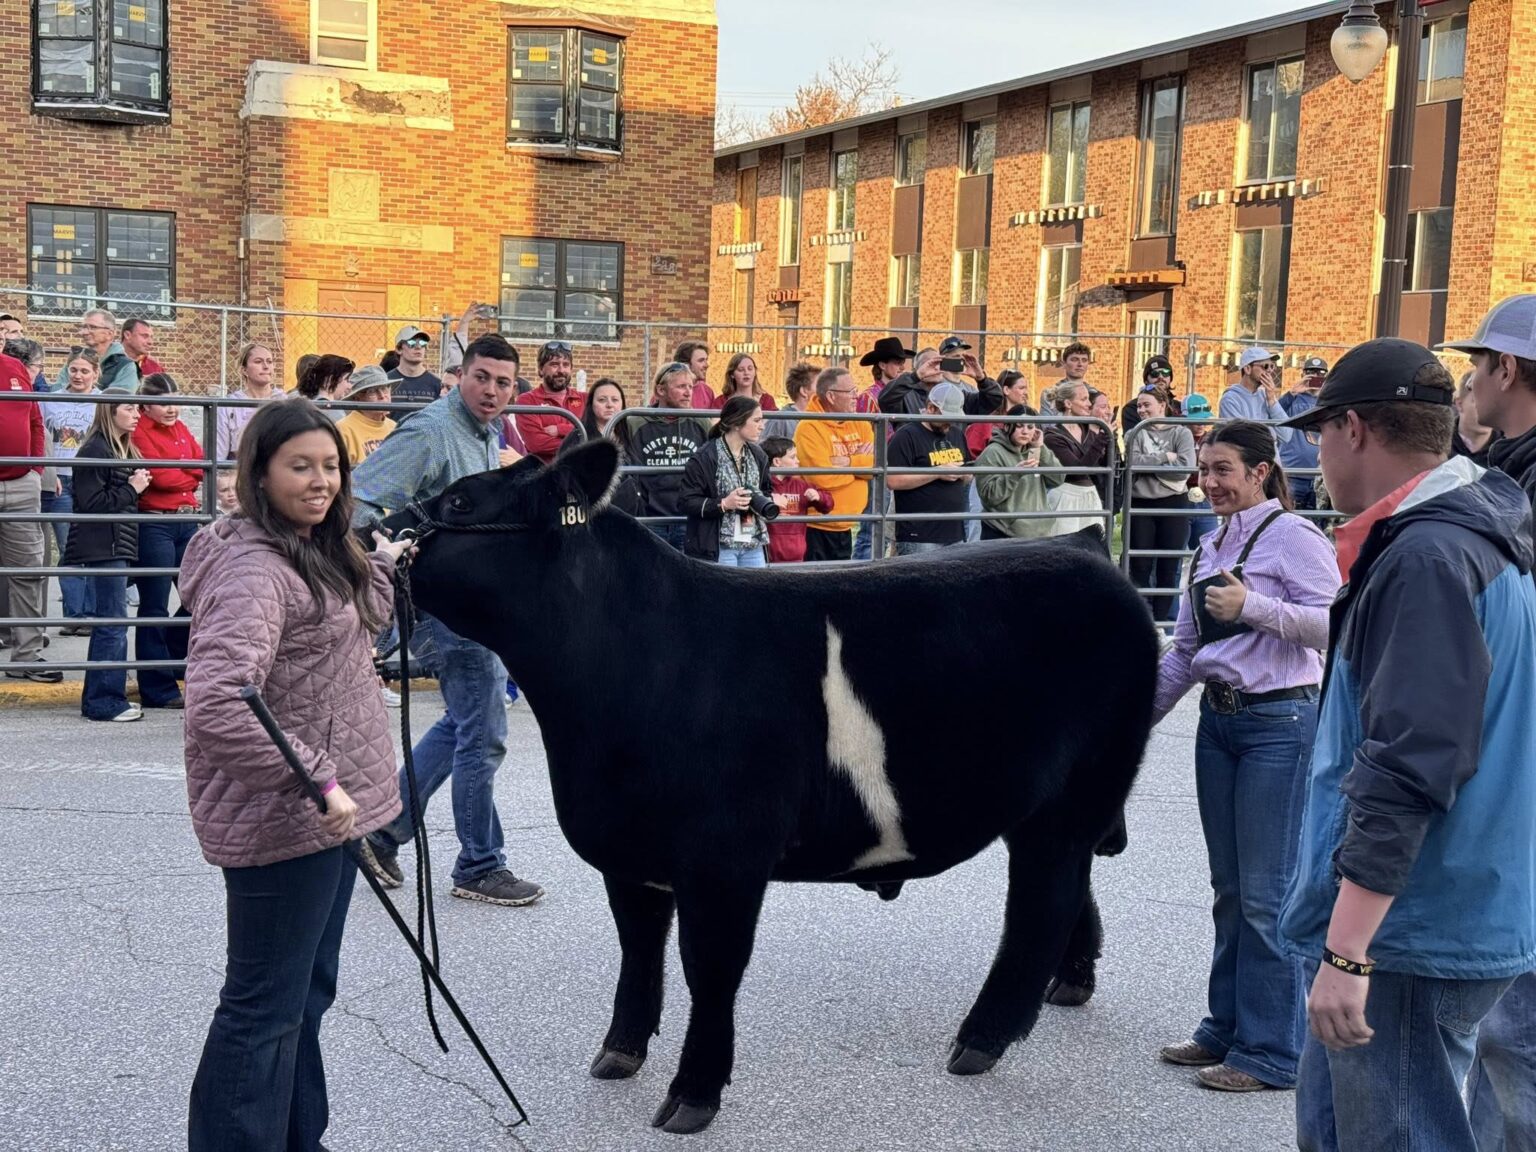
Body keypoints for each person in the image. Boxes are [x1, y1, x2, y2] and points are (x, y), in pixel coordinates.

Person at [1265, 338, 1536, 1152]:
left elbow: (1410, 764)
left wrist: (1348, 951)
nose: (1315, 457)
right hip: (1434, 910)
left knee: (1397, 1137)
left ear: (1353, 429)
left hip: (1415, 926)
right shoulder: (1467, 531)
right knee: (1338, 1130)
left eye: (1318, 434)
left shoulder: (1426, 555)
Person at [181, 398, 409, 1152]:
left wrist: (377, 558)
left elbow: (355, 617)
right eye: (299, 467)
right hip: (288, 820)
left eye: (330, 466)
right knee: (263, 1008)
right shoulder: (255, 569)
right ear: (260, 473)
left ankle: (297, 1140)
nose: (319, 482)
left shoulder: (312, 544)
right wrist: (319, 781)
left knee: (302, 998)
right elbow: (217, 703)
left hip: (324, 815)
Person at [1153, 420, 1339, 1094]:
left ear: (1261, 471)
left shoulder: (1294, 536)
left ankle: (1271, 1050)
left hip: (1279, 723)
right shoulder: (1207, 547)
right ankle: (1225, 1026)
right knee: (1230, 890)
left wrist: (1254, 606)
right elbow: (1184, 652)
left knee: (1267, 894)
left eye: (1223, 469)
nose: (1210, 482)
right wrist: (1128, 727)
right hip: (1220, 725)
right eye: (1204, 469)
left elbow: (1334, 621)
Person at [352, 334, 544, 907]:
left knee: (465, 722)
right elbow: (362, 501)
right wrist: (393, 555)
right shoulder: (433, 430)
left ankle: (383, 832)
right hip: (441, 605)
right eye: (481, 377)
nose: (491, 390)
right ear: (462, 374)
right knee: (483, 732)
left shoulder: (486, 434)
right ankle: (479, 865)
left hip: (471, 603)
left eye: (503, 382)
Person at [1437, 298, 1536, 1152]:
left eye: (1479, 364)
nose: (1469, 378)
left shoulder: (1521, 485)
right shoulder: (1507, 470)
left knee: (1515, 1027)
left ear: (1507, 370)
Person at [63, 390, 152, 720]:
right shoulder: (96, 448)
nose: (136, 414)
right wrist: (133, 488)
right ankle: (104, 702)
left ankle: (102, 698)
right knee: (112, 623)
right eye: (128, 408)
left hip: (117, 543)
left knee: (113, 622)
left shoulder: (120, 447)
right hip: (104, 545)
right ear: (109, 412)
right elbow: (91, 504)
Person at [131, 373, 203, 709]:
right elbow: (158, 475)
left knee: (198, 596)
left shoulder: (179, 428)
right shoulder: (140, 429)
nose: (172, 408)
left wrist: (184, 476)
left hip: (185, 520)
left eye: (175, 400)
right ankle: (156, 686)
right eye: (164, 402)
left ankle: (175, 655)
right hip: (156, 523)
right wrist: (185, 477)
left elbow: (201, 465)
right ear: (146, 405)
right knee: (155, 604)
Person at [0, 348, 58, 681]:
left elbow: (35, 421)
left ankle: (27, 654)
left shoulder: (15, 368)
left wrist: (35, 469)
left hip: (22, 485)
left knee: (29, 571)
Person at [621, 362, 711, 551]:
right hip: (651, 519)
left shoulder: (701, 421)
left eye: (690, 387)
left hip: (687, 518)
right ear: (661, 390)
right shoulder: (636, 421)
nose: (688, 392)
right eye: (680, 387)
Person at [43, 349, 102, 634]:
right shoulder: (50, 400)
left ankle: (91, 614)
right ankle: (73, 615)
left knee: (91, 545)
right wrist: (48, 472)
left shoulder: (103, 402)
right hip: (61, 481)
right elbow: (41, 438)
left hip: (90, 481)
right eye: (74, 370)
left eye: (84, 371)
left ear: (95, 373)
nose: (78, 376)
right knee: (68, 548)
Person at [1126, 387, 1198, 621]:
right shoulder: (1134, 434)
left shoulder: (1180, 433)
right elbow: (1134, 463)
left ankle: (1161, 620)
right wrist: (1166, 457)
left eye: (1147, 404)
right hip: (1141, 503)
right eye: (1139, 406)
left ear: (1162, 405)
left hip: (1174, 504)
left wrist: (1151, 469)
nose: (1142, 410)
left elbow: (1184, 470)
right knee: (1140, 564)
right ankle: (1141, 617)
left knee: (1169, 565)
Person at [679, 395, 774, 566]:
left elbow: (766, 490)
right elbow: (686, 501)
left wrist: (766, 501)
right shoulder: (704, 457)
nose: (762, 426)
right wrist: (723, 503)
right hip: (718, 546)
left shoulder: (759, 455)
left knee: (754, 593)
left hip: (753, 541)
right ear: (737, 423)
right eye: (757, 420)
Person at [795, 366, 875, 562]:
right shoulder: (808, 428)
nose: (857, 397)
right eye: (851, 392)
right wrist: (859, 468)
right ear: (831, 396)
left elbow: (876, 467)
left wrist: (847, 462)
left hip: (846, 527)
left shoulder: (861, 423)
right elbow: (822, 478)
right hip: (816, 528)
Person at [884, 382, 973, 555]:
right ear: (931, 408)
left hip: (954, 530)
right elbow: (893, 480)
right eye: (946, 417)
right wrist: (938, 472)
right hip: (919, 534)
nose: (950, 423)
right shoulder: (906, 435)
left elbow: (968, 473)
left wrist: (964, 474)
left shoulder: (956, 434)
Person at [974, 404, 1062, 540]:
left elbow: (1058, 479)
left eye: (1030, 427)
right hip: (1004, 534)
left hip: (1039, 533)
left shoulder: (1035, 451)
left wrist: (1041, 448)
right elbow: (989, 496)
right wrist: (1014, 475)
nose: (1025, 431)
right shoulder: (992, 452)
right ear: (1008, 426)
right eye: (1020, 425)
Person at [1042, 380, 1110, 535]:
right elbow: (1078, 470)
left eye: (1088, 399)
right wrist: (1101, 439)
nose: (1089, 404)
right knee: (1064, 547)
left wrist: (1108, 438)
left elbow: (1102, 465)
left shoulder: (1089, 430)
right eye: (1083, 399)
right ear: (1068, 403)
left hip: (1090, 495)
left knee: (1093, 547)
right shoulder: (1053, 436)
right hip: (1066, 496)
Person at [762, 436, 831, 564]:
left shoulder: (800, 486)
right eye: (793, 457)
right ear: (777, 462)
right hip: (768, 555)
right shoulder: (763, 487)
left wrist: (819, 497)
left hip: (797, 555)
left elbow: (828, 506)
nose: (798, 461)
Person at [515, 340, 586, 465]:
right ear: (541, 369)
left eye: (566, 365)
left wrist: (561, 430)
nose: (561, 370)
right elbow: (537, 444)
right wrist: (582, 441)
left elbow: (598, 435)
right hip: (544, 475)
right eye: (554, 365)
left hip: (580, 474)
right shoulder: (527, 401)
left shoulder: (586, 399)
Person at [580, 378, 642, 516]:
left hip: (628, 515)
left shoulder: (628, 435)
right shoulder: (579, 436)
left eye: (615, 400)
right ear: (591, 404)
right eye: (602, 400)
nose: (609, 405)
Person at [216, 343, 283, 461]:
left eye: (270, 361)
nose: (266, 366)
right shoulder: (229, 405)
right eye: (258, 362)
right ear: (244, 370)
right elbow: (218, 455)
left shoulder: (285, 402)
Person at [1277, 357, 1328, 508]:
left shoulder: (1328, 401)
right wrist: (1292, 392)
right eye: (1310, 373)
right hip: (1293, 474)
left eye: (1320, 374)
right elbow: (1274, 413)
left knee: (1318, 522)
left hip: (1320, 475)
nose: (1315, 377)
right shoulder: (1292, 399)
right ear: (1303, 375)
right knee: (1288, 516)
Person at [1220, 348, 1294, 445]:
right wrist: (1271, 433)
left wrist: (1272, 400)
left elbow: (1286, 435)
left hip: (1270, 458)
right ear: (1247, 369)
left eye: (1272, 366)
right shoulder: (1230, 399)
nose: (1270, 371)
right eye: (1265, 366)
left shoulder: (1266, 396)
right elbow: (1240, 437)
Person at [60, 308, 137, 392]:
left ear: (109, 334)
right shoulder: (76, 359)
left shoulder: (125, 366)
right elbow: (58, 389)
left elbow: (119, 399)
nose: (84, 332)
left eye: (93, 327)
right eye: (84, 327)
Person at [335, 365, 396, 466]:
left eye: (384, 388)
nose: (382, 396)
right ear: (357, 398)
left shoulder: (393, 427)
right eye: (372, 391)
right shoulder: (344, 429)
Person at [966, 369, 1030, 459]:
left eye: (1026, 388)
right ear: (1006, 390)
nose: (1026, 393)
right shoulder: (986, 422)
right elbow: (972, 457)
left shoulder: (1031, 418)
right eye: (1021, 388)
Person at [1182, 394, 1219, 547]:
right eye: (1196, 418)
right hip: (1182, 495)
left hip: (1205, 497)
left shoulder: (1211, 439)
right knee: (1175, 554)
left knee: (1209, 550)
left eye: (1204, 418)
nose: (1201, 423)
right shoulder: (1179, 437)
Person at [1449, 372, 1498, 466]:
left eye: (1493, 402)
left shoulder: (1507, 451)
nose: (1487, 409)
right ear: (1459, 404)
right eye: (1478, 401)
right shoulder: (1439, 447)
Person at [1123, 355, 1181, 434]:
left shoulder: (1179, 407)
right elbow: (1134, 441)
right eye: (1155, 374)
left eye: (1165, 372)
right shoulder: (1132, 408)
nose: (1161, 377)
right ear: (1146, 380)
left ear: (1170, 378)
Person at [385, 325, 442, 404]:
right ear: (399, 349)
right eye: (411, 343)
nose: (418, 347)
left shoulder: (436, 384)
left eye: (422, 343)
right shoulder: (386, 381)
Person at [858, 335, 915, 411]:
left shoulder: (907, 394)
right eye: (898, 363)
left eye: (903, 363)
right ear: (882, 365)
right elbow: (864, 423)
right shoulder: (868, 397)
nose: (902, 368)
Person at [763, 362, 816, 442]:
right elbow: (765, 450)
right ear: (804, 391)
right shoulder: (780, 421)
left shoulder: (823, 419)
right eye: (820, 385)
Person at [713, 352, 779, 414]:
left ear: (755, 372)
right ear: (732, 374)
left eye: (750, 369)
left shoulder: (767, 401)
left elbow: (774, 424)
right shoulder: (720, 402)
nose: (746, 373)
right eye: (741, 370)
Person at [120, 318, 165, 384]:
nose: (150, 342)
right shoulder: (108, 362)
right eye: (145, 336)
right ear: (127, 335)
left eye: (151, 337)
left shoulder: (155, 368)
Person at [674, 340, 714, 409]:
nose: (707, 365)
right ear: (686, 364)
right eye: (701, 360)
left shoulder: (707, 391)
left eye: (706, 360)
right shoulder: (666, 391)